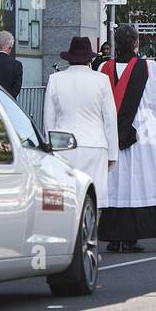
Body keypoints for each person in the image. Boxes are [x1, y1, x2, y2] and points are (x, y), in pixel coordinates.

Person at [97, 25, 156, 252]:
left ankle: (114, 237)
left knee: (115, 184)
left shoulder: (104, 67)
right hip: (142, 135)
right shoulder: (150, 69)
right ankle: (133, 236)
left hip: (112, 134)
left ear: (116, 44)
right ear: (136, 44)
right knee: (137, 182)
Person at [44, 37, 119, 208]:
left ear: (69, 58)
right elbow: (109, 119)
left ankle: (66, 233)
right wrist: (113, 154)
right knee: (95, 199)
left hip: (63, 146)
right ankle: (90, 233)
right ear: (90, 59)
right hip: (95, 145)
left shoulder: (55, 79)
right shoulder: (102, 80)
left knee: (64, 198)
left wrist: (49, 148)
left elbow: (49, 120)